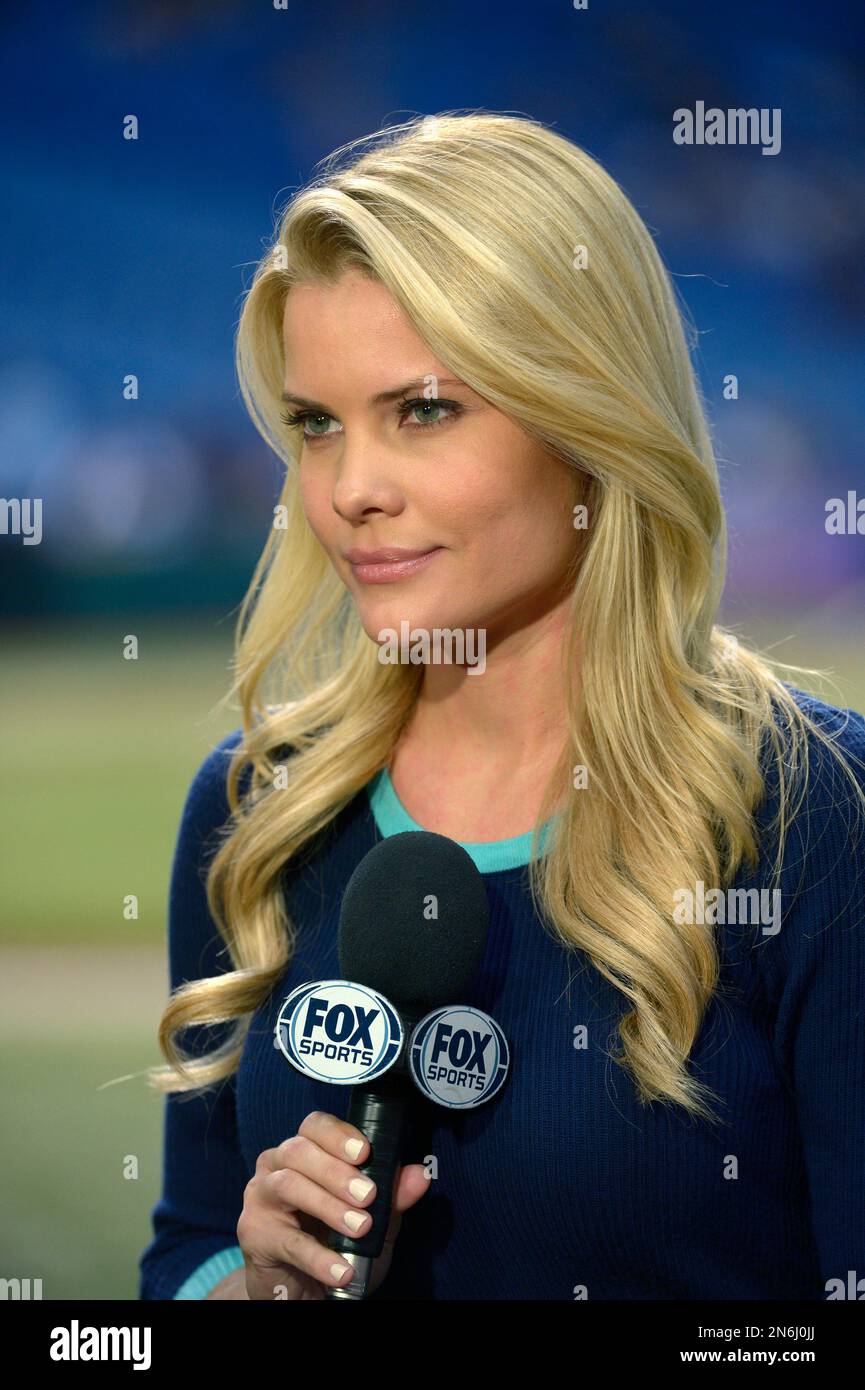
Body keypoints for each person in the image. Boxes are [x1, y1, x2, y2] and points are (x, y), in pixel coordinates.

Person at [139, 111, 865, 1301]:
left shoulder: (814, 815)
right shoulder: (257, 806)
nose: (351, 489)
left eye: (422, 410)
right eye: (316, 423)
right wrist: (254, 1284)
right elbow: (179, 1256)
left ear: (589, 415)